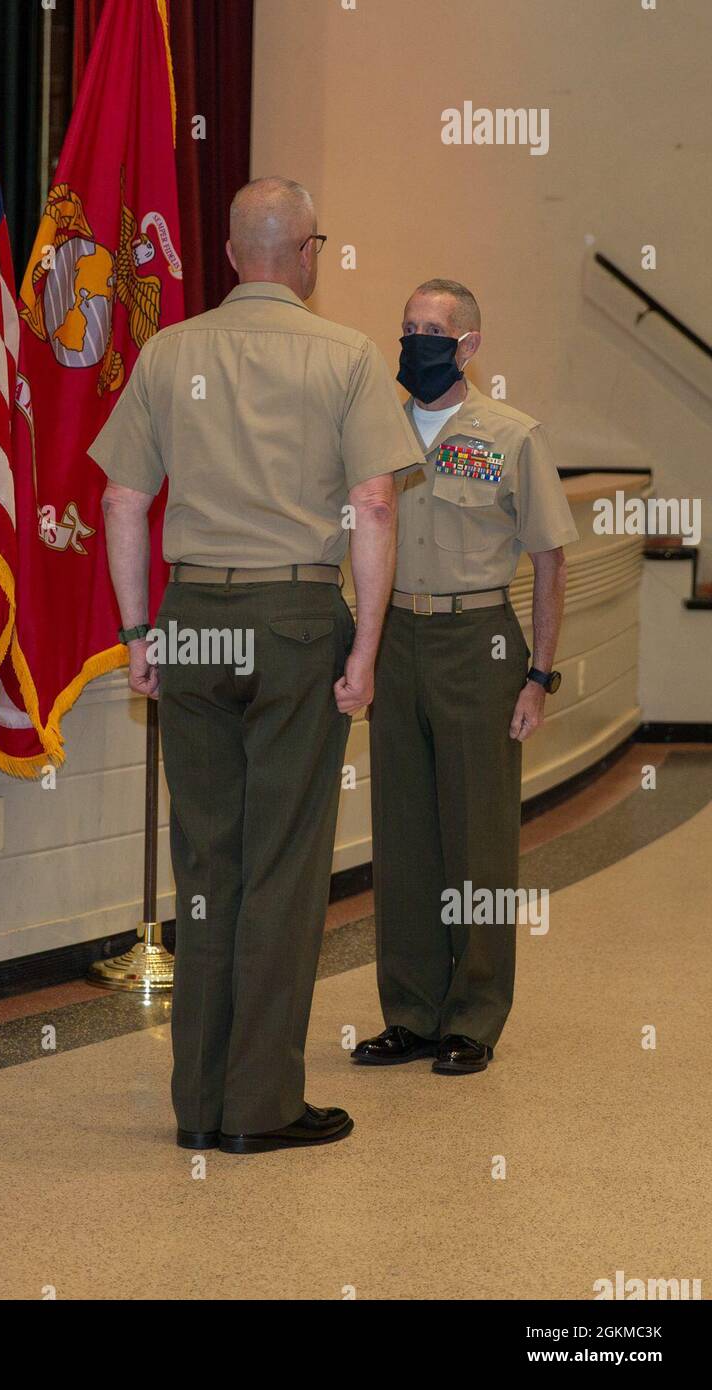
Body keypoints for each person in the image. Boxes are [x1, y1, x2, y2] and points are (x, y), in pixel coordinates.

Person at [89, 177, 420, 1152]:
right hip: (291, 618)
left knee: (204, 863)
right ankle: (260, 1105)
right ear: (308, 253)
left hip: (192, 615)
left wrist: (140, 633)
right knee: (281, 865)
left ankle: (197, 1102)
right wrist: (364, 646)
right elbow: (376, 506)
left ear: (233, 255)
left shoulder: (168, 351)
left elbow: (119, 505)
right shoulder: (347, 356)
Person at [353, 279, 578, 1076]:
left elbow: (551, 561)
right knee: (404, 835)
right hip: (396, 639)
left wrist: (537, 677)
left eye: (432, 330)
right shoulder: (374, 427)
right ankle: (410, 1012)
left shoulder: (511, 435)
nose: (415, 341)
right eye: (407, 325)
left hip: (480, 639)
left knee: (478, 837)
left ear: (469, 345)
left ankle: (475, 1014)